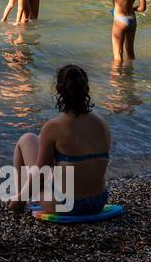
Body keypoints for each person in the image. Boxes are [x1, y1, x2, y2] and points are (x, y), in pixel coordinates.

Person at [8, 64, 111, 215]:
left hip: (66, 206)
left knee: (27, 139)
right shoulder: (102, 124)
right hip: (98, 202)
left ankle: (19, 201)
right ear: (87, 90)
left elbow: (41, 173)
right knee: (40, 142)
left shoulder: (53, 127)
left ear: (58, 90)